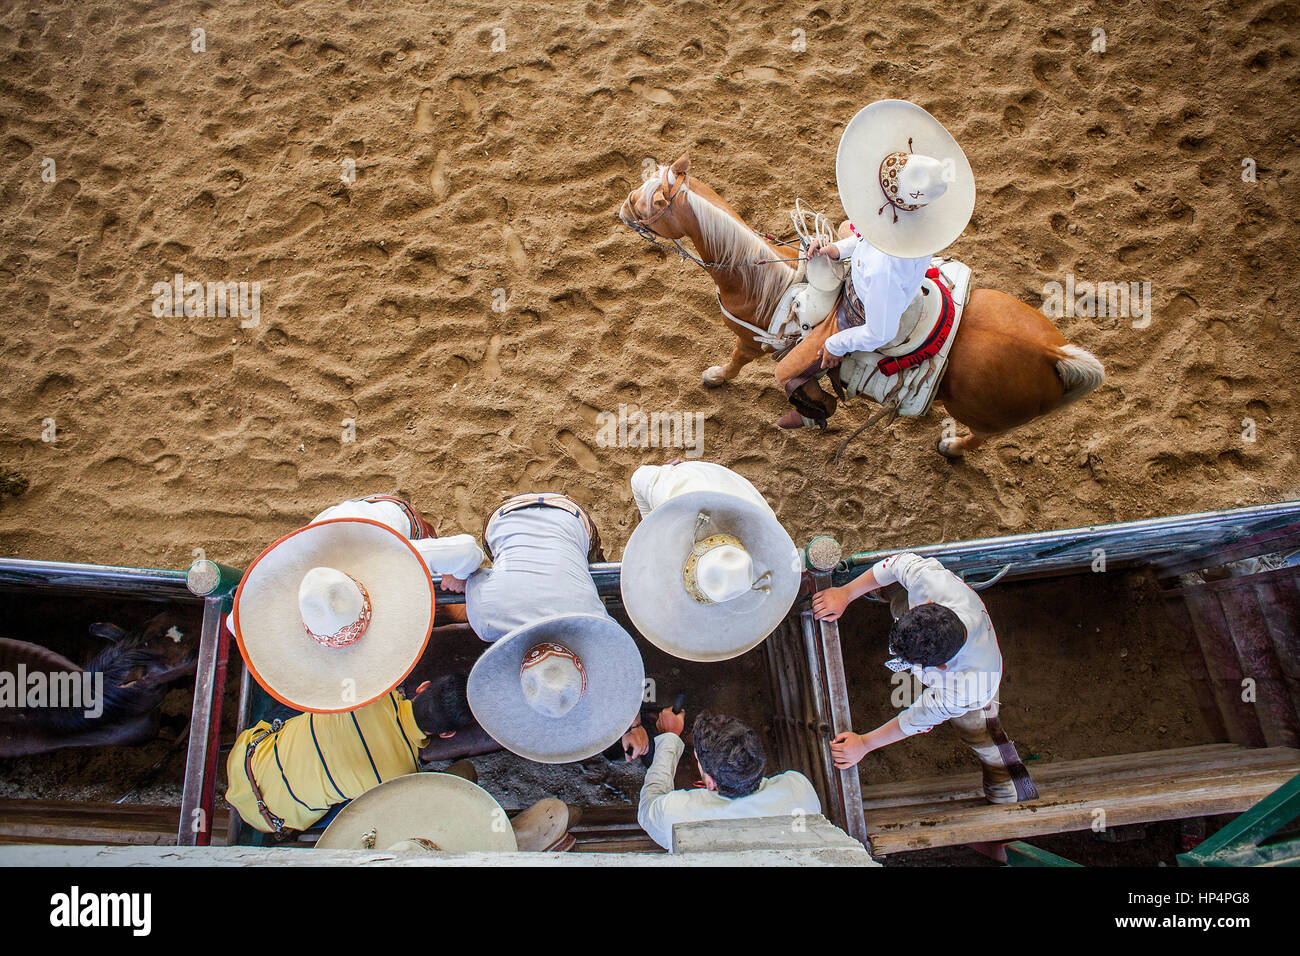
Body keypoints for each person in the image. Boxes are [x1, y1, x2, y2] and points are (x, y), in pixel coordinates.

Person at [774, 99, 975, 428]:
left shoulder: (884, 268)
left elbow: (880, 331)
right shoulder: (913, 227)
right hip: (873, 277)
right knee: (843, 227)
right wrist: (836, 250)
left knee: (785, 371)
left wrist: (835, 343)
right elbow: (866, 236)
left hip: (860, 310)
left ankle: (816, 410)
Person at [418, 491, 645, 764]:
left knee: (586, 563)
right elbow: (472, 575)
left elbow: (622, 676)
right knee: (592, 564)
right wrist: (461, 581)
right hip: (509, 518)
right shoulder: (487, 622)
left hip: (561, 515)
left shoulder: (594, 618)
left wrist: (633, 725)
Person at [812, 551, 1038, 804]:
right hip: (934, 627)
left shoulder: (966, 687)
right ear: (927, 605)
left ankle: (1008, 783)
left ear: (939, 667)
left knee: (979, 732)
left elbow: (916, 719)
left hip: (979, 689)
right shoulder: (930, 581)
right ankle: (883, 595)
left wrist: (864, 743)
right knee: (899, 598)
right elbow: (896, 563)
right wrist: (846, 593)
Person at [226, 674, 473, 835]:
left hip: (244, 760)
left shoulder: (371, 689)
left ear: (423, 686)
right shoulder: (401, 777)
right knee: (357, 802)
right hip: (272, 818)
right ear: (447, 734)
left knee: (320, 703)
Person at [637, 707, 821, 852]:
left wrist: (669, 737)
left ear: (710, 783)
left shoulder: (676, 813)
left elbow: (649, 804)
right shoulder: (798, 791)